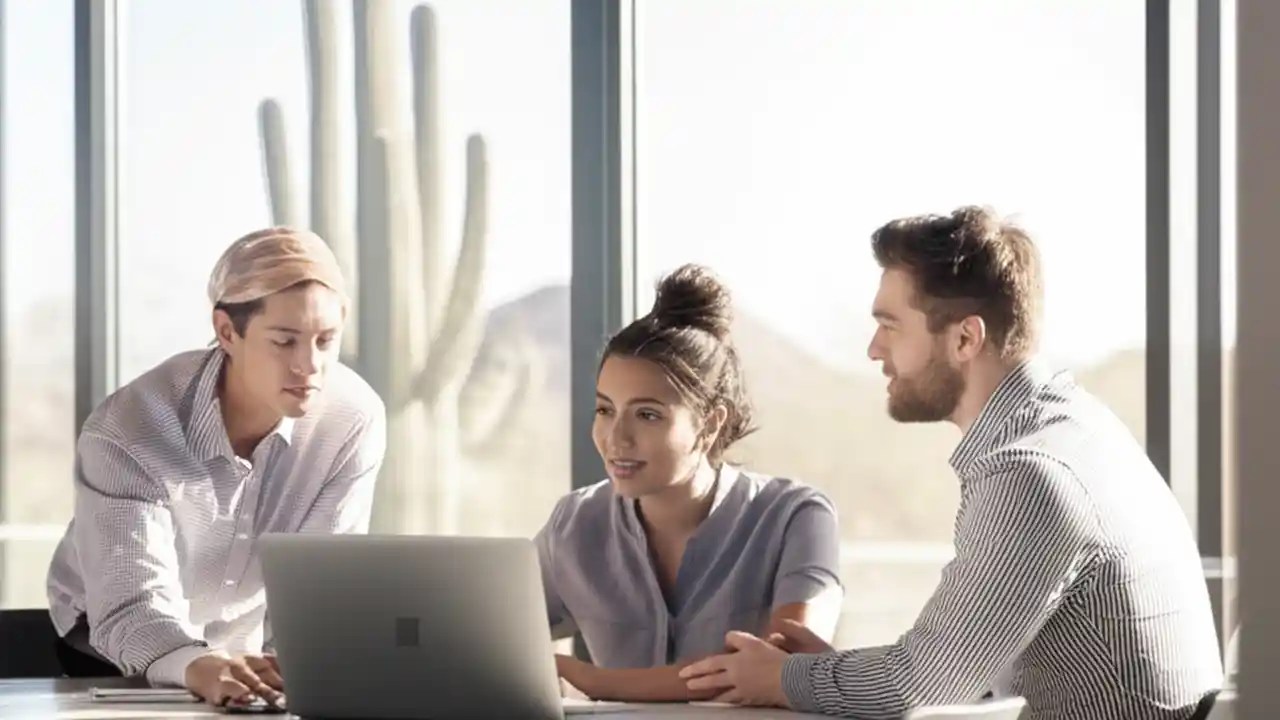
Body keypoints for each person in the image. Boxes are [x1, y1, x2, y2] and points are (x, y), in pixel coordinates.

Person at [680, 206, 1223, 719]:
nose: (873, 348)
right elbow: (958, 666)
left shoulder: (1029, 471)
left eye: (890, 325)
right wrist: (819, 669)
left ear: (965, 338)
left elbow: (927, 685)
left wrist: (781, 680)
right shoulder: (1080, 429)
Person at [46, 228, 387, 708]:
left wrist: (301, 662)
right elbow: (130, 607)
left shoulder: (354, 419)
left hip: (241, 647)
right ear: (227, 332)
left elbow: (322, 581)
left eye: (325, 341)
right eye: (285, 342)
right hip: (109, 642)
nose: (309, 365)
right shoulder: (131, 428)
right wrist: (198, 665)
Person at [538, 264, 844, 703]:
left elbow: (782, 669)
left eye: (647, 415)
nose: (616, 438)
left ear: (710, 424)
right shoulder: (575, 523)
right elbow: (488, 636)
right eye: (605, 410)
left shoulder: (795, 516)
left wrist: (588, 679)